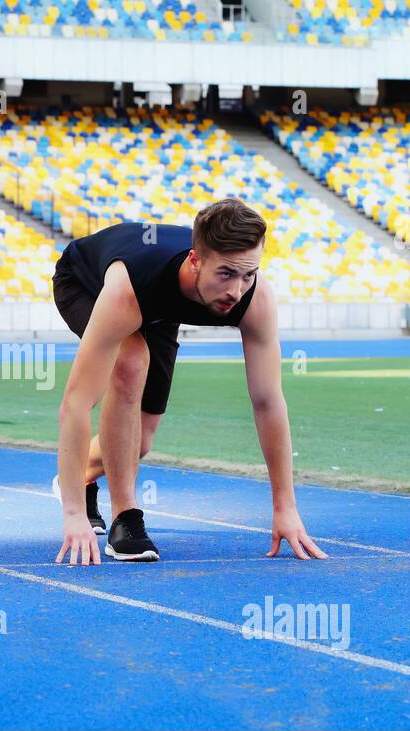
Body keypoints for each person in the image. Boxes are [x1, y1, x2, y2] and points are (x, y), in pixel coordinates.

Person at [52, 198, 326, 564]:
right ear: (195, 261)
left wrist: (285, 507)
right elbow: (76, 402)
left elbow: (268, 401)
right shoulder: (128, 288)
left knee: (141, 440)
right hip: (86, 281)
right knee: (131, 362)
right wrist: (72, 515)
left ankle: (84, 475)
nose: (237, 290)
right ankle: (125, 520)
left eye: (249, 274)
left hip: (160, 308)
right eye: (226, 274)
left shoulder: (254, 297)